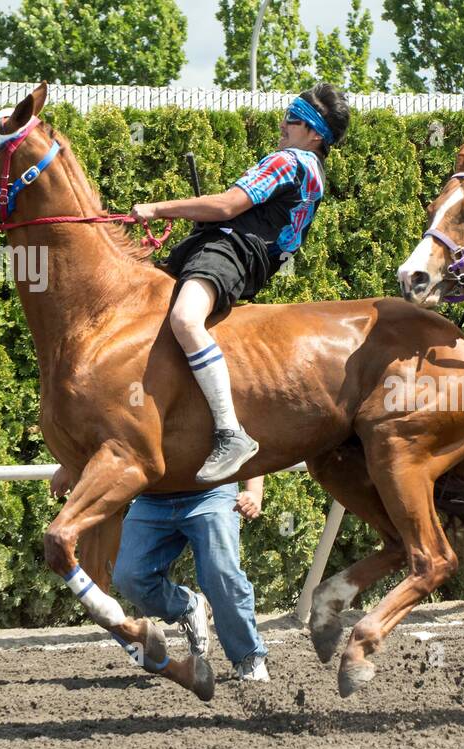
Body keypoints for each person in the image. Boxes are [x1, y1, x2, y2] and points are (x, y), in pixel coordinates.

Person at [131, 84, 350, 483]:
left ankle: (230, 432)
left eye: (293, 118)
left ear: (315, 134)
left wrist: (158, 208)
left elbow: (228, 205)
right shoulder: (314, 172)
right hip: (233, 254)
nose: (282, 123)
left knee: (183, 320)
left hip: (227, 252)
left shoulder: (289, 160)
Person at [110, 476, 272, 681]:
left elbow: (249, 443)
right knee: (127, 575)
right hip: (153, 498)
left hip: (212, 492)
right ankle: (187, 607)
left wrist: (254, 492)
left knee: (220, 573)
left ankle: (248, 656)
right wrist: (69, 467)